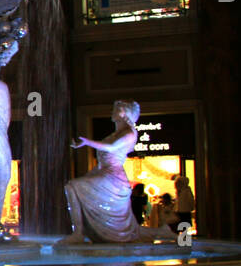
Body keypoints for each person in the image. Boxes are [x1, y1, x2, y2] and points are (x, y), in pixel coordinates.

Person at [61, 101, 170, 244]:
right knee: (126, 229)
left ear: (125, 113)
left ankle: (78, 233)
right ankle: (162, 232)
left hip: (113, 178)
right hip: (105, 173)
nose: (112, 111)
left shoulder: (129, 133)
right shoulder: (118, 133)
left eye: (117, 109)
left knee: (73, 186)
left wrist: (87, 142)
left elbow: (111, 147)